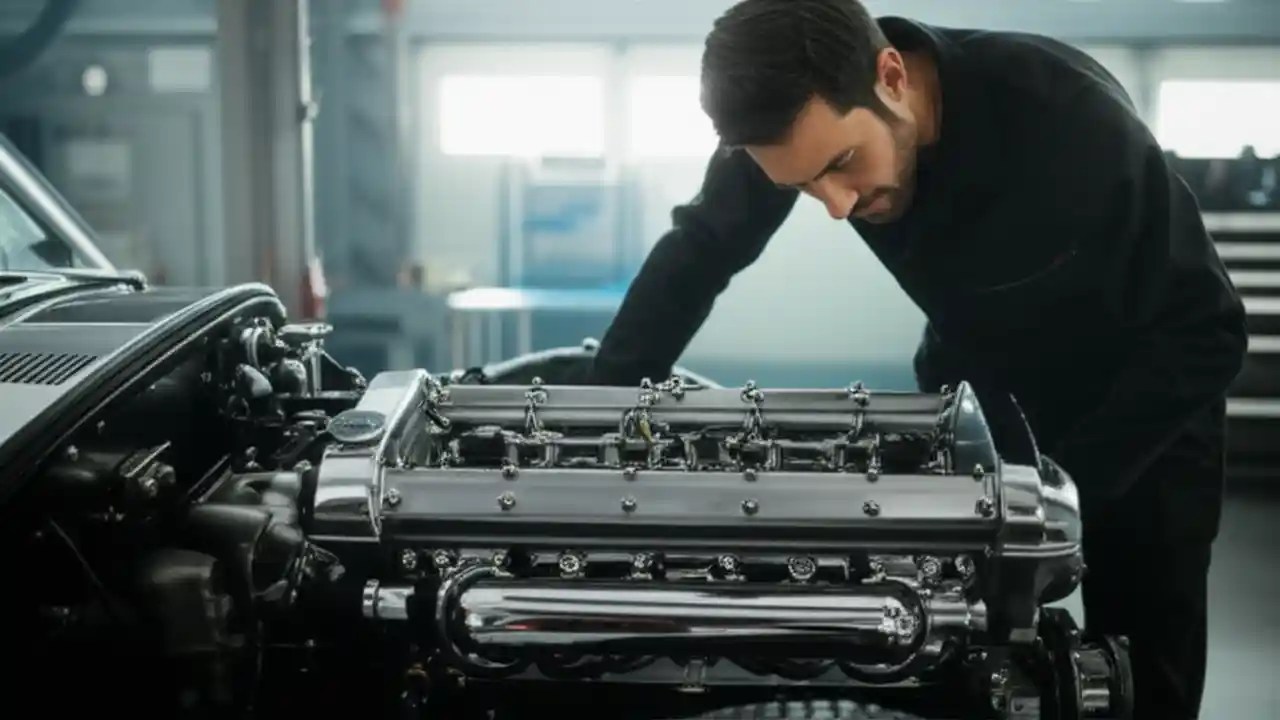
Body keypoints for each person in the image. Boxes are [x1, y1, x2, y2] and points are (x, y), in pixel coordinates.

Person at [585, 1, 1248, 717]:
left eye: (843, 164)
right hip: (986, 391)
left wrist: (1065, 491)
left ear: (891, 76)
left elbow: (1205, 327)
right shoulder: (787, 117)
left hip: (1146, 406)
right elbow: (698, 253)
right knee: (960, 654)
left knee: (1143, 677)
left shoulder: (1064, 117)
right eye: (803, 187)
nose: (835, 205)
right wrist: (596, 414)